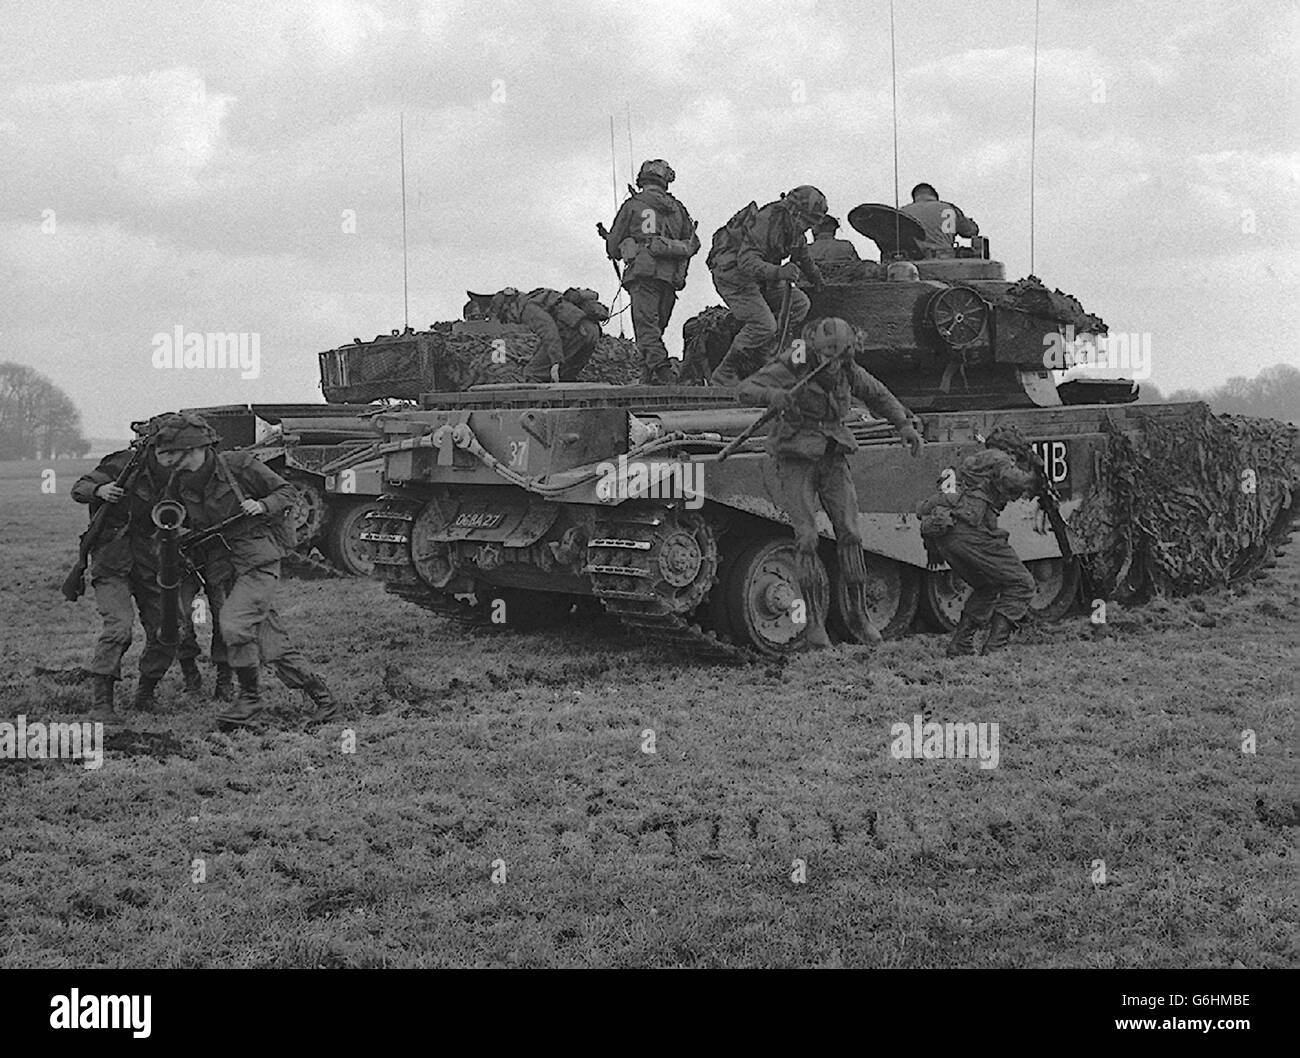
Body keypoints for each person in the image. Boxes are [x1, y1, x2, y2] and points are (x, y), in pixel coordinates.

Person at [737, 317, 924, 649]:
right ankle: (812, 624)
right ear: (814, 347)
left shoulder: (848, 368)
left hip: (833, 454)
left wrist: (904, 424)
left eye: (837, 354)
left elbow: (878, 395)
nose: (829, 361)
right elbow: (745, 390)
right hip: (796, 453)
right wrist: (772, 394)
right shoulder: (797, 359)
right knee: (806, 537)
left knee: (850, 533)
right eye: (825, 353)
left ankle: (858, 617)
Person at [149, 412, 339, 728]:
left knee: (234, 625)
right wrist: (175, 534)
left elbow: (287, 492)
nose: (169, 463)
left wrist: (262, 505)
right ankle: (324, 699)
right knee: (269, 642)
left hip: (257, 560)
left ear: (193, 449)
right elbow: (168, 521)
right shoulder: (179, 482)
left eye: (174, 455)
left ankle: (249, 700)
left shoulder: (237, 465)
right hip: (222, 567)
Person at [71, 415, 206, 713]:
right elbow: (80, 487)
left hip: (151, 561)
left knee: (168, 632)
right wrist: (100, 491)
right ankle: (102, 703)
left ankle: (145, 693)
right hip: (113, 561)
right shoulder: (122, 464)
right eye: (167, 450)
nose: (172, 457)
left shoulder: (182, 474)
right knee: (119, 628)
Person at [915, 424, 1039, 655]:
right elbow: (1013, 480)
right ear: (1012, 450)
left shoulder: (978, 460)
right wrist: (1035, 476)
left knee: (988, 585)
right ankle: (995, 648)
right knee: (1022, 584)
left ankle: (960, 644)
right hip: (970, 531)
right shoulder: (1000, 458)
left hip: (947, 534)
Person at [705, 185, 829, 387]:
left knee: (800, 303)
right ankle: (724, 373)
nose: (808, 227)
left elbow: (804, 257)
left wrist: (818, 280)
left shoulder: (794, 228)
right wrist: (780, 272)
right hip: (733, 274)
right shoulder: (767, 220)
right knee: (764, 324)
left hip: (760, 276)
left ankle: (766, 359)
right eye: (807, 221)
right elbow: (746, 261)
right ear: (795, 211)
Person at [602, 159, 700, 385]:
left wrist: (622, 245)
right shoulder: (678, 209)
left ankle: (665, 376)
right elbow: (693, 243)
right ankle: (647, 376)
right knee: (655, 331)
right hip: (670, 276)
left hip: (643, 274)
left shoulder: (633, 205)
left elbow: (613, 246)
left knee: (646, 331)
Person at [483, 287, 607, 383]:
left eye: (506, 317)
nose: (510, 321)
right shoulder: (535, 301)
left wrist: (555, 361)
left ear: (508, 307)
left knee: (532, 373)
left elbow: (550, 332)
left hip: (576, 332)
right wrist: (533, 358)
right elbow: (546, 339)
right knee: (565, 375)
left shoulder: (527, 309)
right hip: (591, 332)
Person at [899, 183, 979, 259]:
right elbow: (971, 231)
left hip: (911, 262)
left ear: (914, 198)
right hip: (945, 259)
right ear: (935, 196)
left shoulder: (903, 212)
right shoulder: (949, 209)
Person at [805, 216, 869, 282]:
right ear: (834, 229)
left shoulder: (807, 249)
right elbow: (857, 264)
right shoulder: (846, 245)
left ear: (815, 229)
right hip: (845, 280)